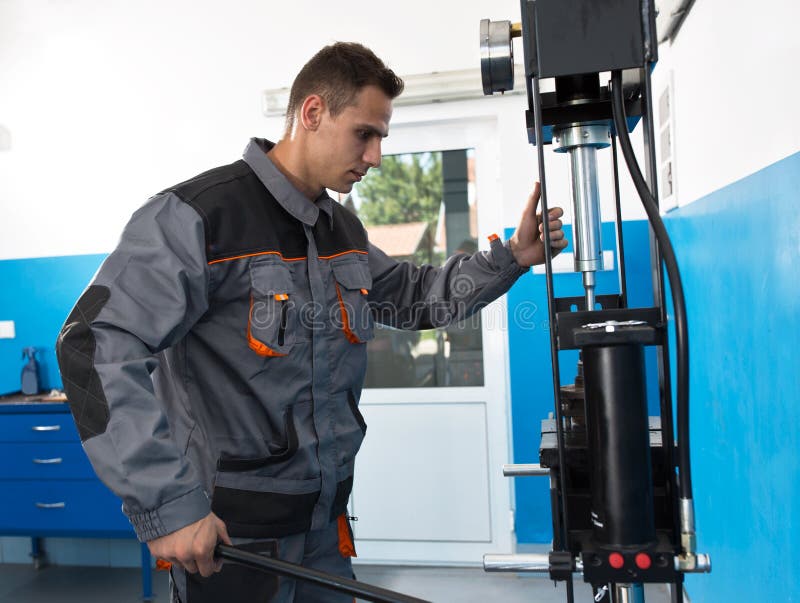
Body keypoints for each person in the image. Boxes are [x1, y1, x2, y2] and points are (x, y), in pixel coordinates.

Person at [56, 42, 567, 603]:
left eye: (381, 139)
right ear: (313, 113)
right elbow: (94, 343)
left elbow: (414, 298)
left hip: (324, 528)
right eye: (364, 134)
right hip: (231, 539)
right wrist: (168, 506)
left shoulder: (339, 229)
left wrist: (511, 258)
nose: (374, 157)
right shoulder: (200, 216)